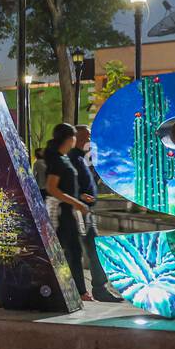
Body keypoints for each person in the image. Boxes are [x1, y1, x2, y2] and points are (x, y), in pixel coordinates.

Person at [69, 125, 120, 301]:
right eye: (88, 135)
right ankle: (96, 288)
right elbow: (63, 186)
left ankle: (95, 288)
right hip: (78, 212)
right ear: (77, 137)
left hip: (85, 211)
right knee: (89, 250)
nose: (90, 138)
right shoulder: (72, 158)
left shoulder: (82, 157)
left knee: (90, 250)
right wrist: (79, 196)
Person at [43, 123, 90, 301]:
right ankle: (79, 291)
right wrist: (75, 202)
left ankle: (73, 290)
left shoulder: (63, 158)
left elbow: (64, 186)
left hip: (68, 211)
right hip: (62, 214)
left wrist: (79, 197)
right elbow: (52, 188)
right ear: (70, 139)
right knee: (71, 251)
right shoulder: (57, 159)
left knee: (68, 251)